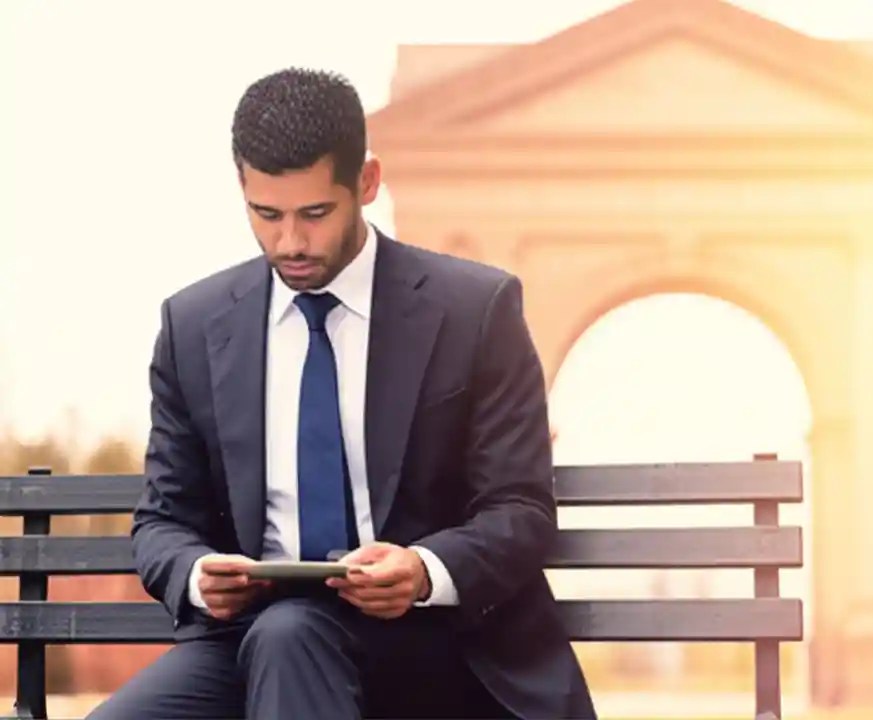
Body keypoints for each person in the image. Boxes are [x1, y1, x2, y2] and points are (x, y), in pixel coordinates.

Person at [87, 67, 595, 720]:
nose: (290, 242)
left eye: (315, 214)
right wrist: (197, 571)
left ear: (368, 183)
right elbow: (162, 518)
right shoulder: (194, 326)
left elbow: (520, 510)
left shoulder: (475, 309)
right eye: (265, 215)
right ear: (242, 189)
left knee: (291, 635)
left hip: (440, 644)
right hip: (248, 639)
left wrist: (422, 568)